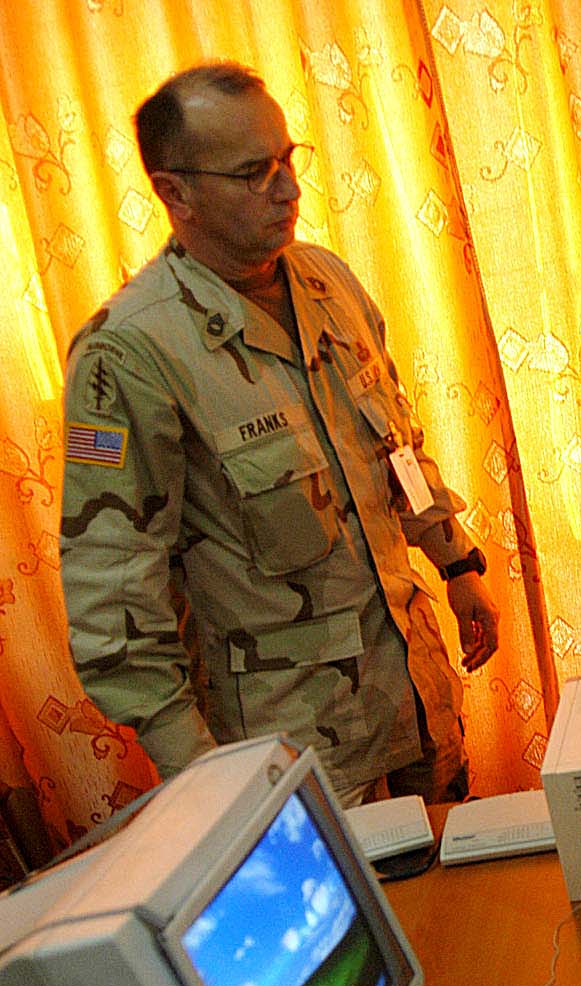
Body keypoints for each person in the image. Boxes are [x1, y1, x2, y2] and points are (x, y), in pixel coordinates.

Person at [60, 62, 499, 806]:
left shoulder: (327, 282)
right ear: (176, 193)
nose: (289, 189)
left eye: (288, 160)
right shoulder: (128, 355)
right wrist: (209, 782)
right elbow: (114, 598)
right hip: (296, 755)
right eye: (254, 173)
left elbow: (397, 446)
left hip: (416, 702)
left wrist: (456, 564)